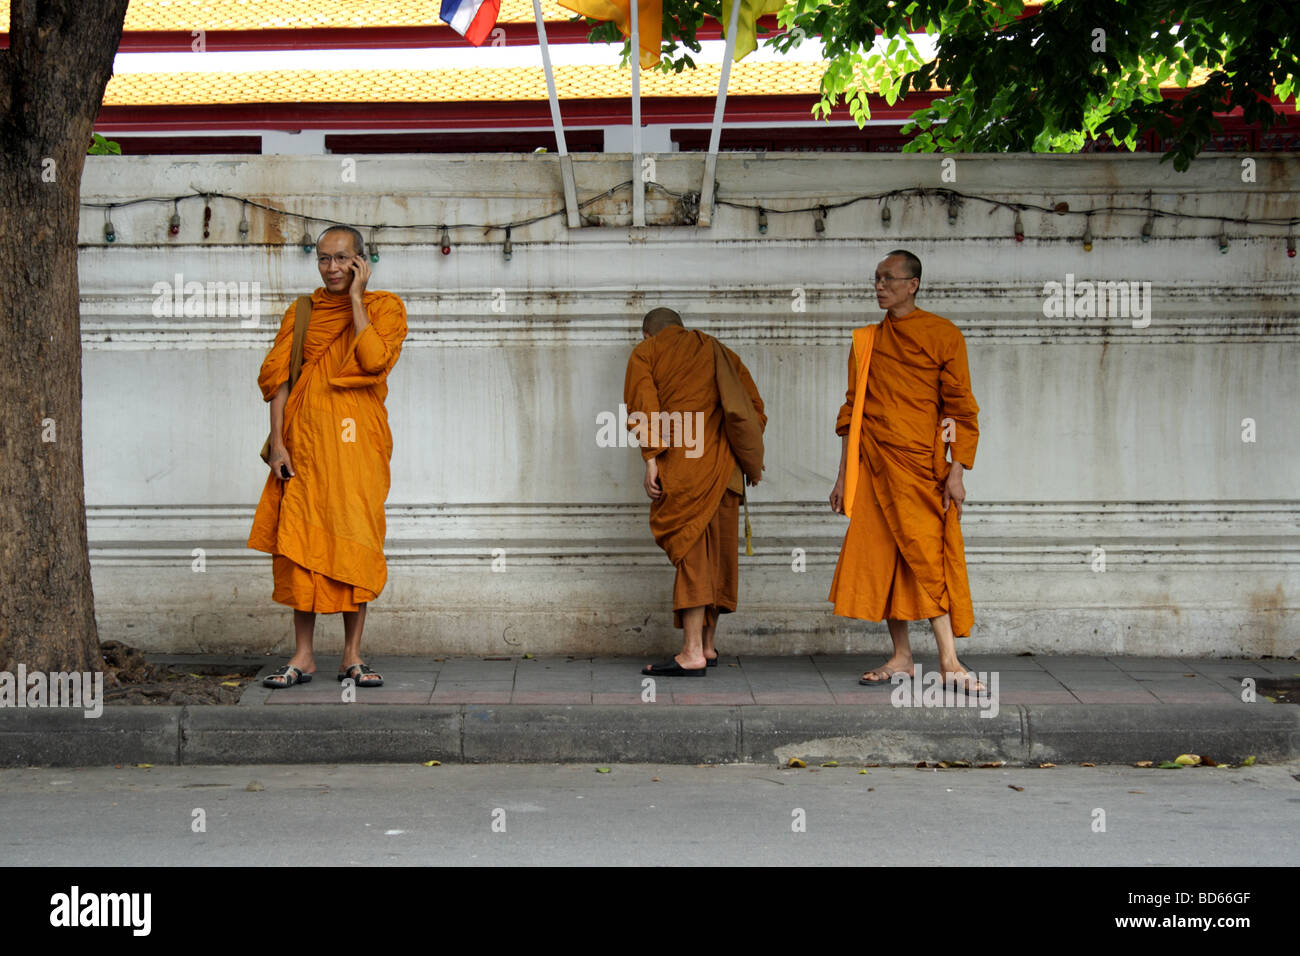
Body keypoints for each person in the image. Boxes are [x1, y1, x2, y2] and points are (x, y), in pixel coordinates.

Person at [249, 225, 408, 689]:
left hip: (358, 447)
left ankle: (352, 656)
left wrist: (357, 299)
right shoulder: (302, 313)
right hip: (305, 446)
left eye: (342, 259)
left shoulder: (385, 307)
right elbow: (278, 382)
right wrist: (277, 443)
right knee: (301, 543)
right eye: (324, 259)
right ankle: (303, 655)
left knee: (356, 538)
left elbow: (375, 360)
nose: (332, 268)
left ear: (361, 261)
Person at [827, 250, 985, 693]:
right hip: (875, 467)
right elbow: (851, 414)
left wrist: (957, 471)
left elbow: (960, 408)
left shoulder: (942, 334)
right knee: (884, 561)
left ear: (912, 284)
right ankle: (901, 657)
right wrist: (843, 477)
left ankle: (950, 661)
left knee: (926, 557)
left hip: (922, 468)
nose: (880, 286)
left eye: (888, 278)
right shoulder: (866, 341)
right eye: (876, 279)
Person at [624, 308, 766, 676]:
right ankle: (707, 645)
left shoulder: (648, 353)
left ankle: (691, 653)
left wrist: (652, 459)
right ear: (680, 328)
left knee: (693, 557)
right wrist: (746, 456)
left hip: (687, 472)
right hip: (727, 474)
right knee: (717, 557)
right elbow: (751, 410)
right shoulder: (720, 352)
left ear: (647, 334)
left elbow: (644, 407)